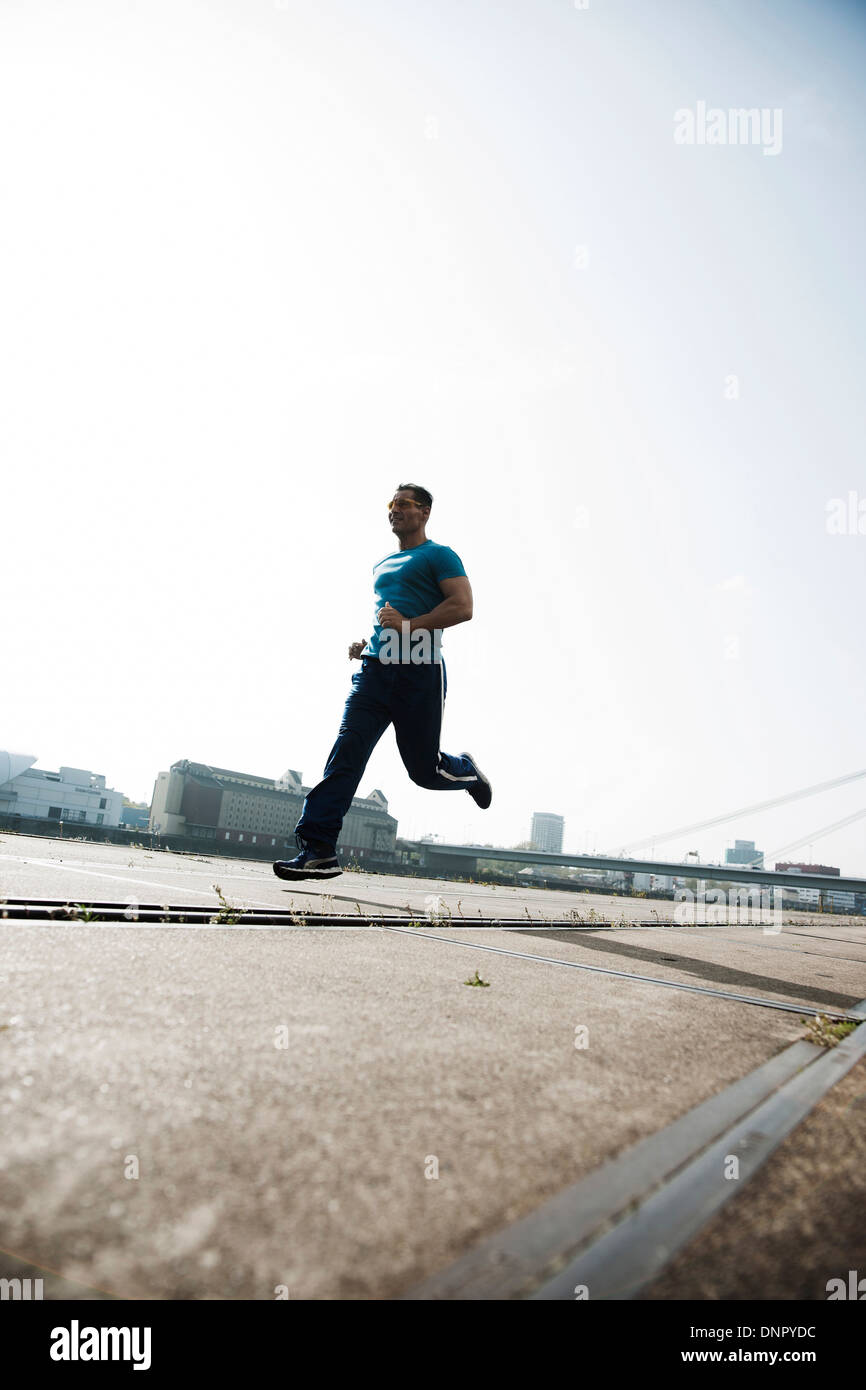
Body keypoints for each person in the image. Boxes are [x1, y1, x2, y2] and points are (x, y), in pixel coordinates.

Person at [274, 484, 491, 880]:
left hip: (419, 674)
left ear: (424, 512)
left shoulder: (439, 555)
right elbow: (388, 617)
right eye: (391, 504)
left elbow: (463, 607)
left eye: (404, 504)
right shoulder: (382, 564)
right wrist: (369, 642)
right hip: (374, 672)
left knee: (424, 771)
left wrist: (407, 627)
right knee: (344, 758)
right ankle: (318, 849)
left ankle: (466, 772)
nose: (394, 510)